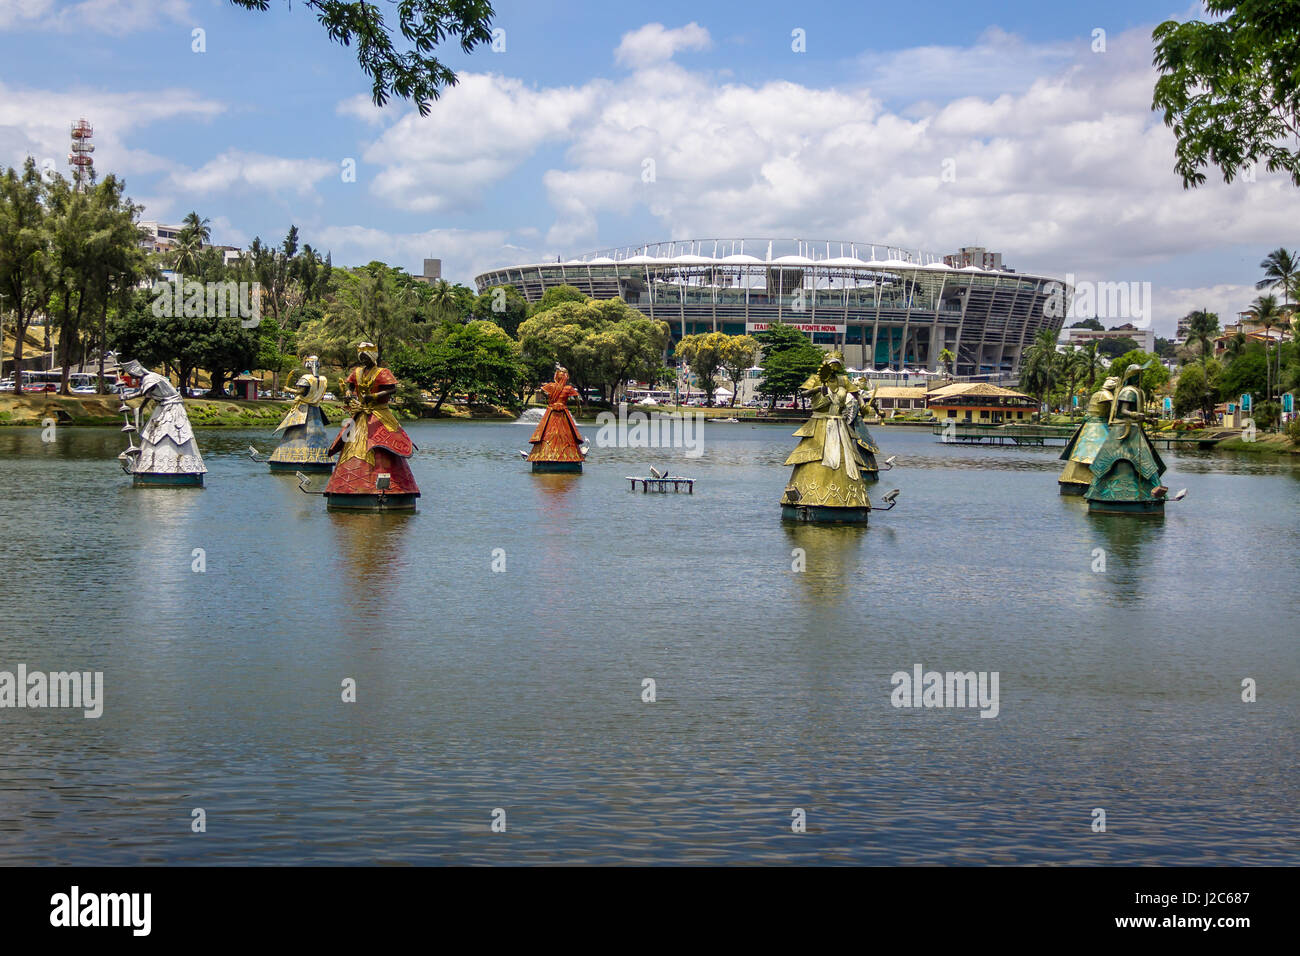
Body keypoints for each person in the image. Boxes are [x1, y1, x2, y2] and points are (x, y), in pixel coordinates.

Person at [323, 342, 420, 508]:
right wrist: (348, 393)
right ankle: (347, 486)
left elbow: (392, 389)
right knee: (351, 442)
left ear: (373, 357)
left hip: (378, 414)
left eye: (366, 356)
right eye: (361, 357)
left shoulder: (382, 372)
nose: (363, 359)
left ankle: (392, 487)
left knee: (383, 442)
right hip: (360, 416)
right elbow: (350, 386)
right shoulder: (357, 372)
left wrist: (374, 396)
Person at [780, 351, 873, 519]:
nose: (834, 366)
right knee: (816, 456)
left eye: (837, 363)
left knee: (844, 460)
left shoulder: (844, 380)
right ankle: (809, 499)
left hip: (839, 424)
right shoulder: (816, 378)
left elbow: (857, 394)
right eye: (831, 362)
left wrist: (863, 406)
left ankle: (849, 501)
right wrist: (817, 389)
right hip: (820, 423)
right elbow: (803, 393)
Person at [1085, 364, 1168, 512]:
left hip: (1134, 430)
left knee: (1147, 464)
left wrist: (1148, 420)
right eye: (1137, 375)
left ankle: (1154, 493)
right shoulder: (1128, 391)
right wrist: (1136, 415)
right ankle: (1099, 494)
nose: (1139, 377)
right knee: (1110, 462)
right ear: (1131, 376)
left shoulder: (1138, 391)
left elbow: (1138, 413)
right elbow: (1123, 411)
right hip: (1124, 431)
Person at [118, 359, 206, 486]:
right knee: (154, 435)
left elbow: (144, 392)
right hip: (163, 407)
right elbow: (148, 396)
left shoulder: (151, 378)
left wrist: (128, 397)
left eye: (133, 375)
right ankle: (147, 467)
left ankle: (177, 468)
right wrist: (141, 409)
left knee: (173, 435)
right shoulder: (149, 380)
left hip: (172, 409)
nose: (133, 378)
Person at [267, 355, 334, 472]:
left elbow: (301, 391)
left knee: (300, 436)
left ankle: (292, 458)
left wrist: (288, 390)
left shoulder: (307, 378)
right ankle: (321, 459)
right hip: (316, 412)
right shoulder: (323, 380)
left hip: (304, 410)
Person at [1058, 376, 1118, 496]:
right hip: (1098, 428)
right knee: (1097, 454)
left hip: (1089, 427)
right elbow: (1114, 411)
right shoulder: (1107, 395)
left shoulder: (1097, 394)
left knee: (1080, 451)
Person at [526, 366, 586, 472]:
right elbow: (578, 401)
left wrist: (548, 400)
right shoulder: (567, 388)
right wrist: (579, 411)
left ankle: (545, 459)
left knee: (548, 434)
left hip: (552, 412)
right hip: (561, 413)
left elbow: (542, 390)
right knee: (559, 435)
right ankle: (567, 460)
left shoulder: (552, 386)